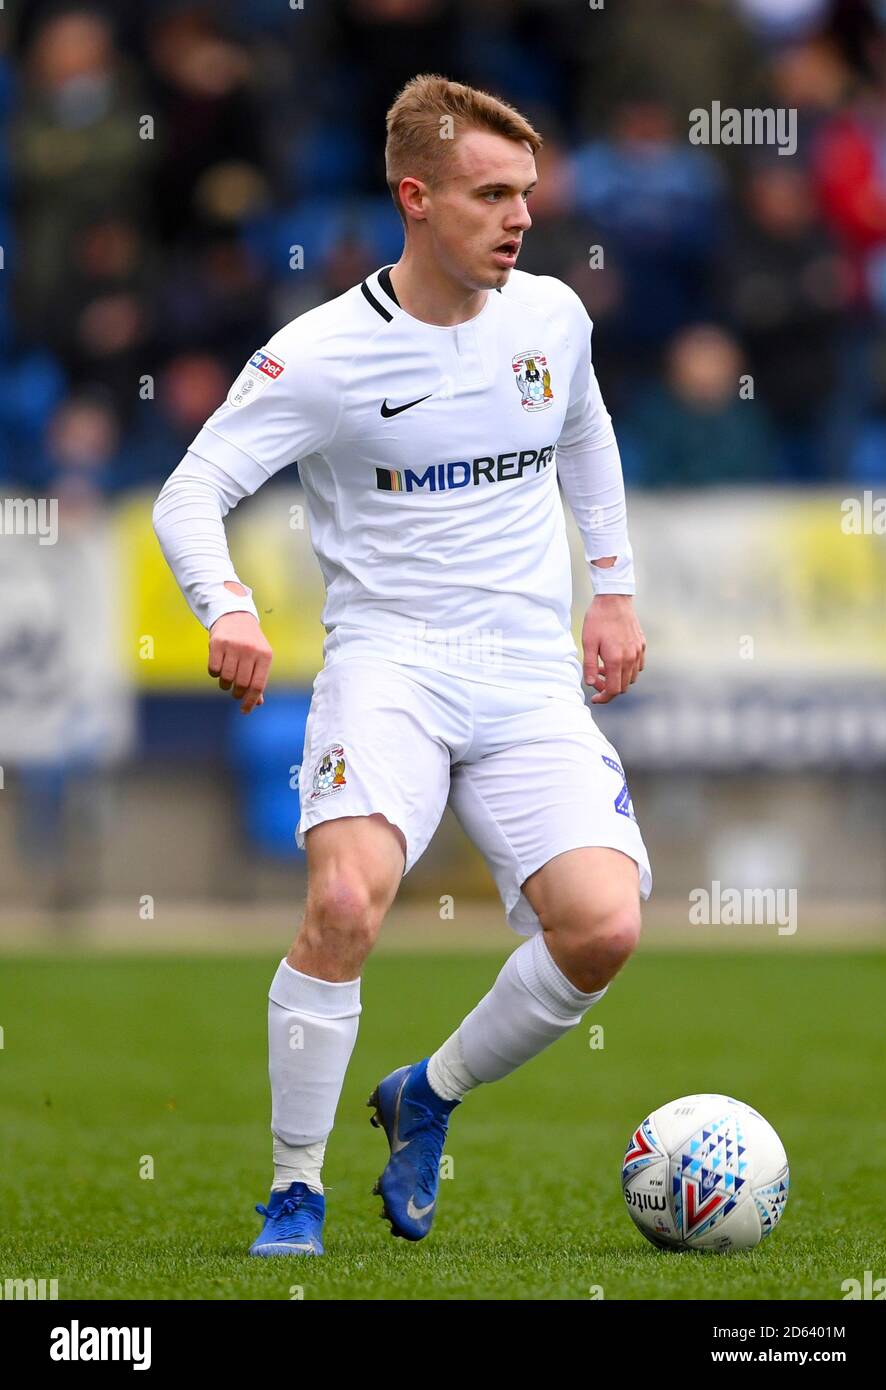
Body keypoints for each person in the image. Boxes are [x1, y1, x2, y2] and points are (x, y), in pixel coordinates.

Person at [152, 74, 651, 1258]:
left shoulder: (549, 320)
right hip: (391, 667)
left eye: (525, 193)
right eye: (489, 195)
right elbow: (192, 493)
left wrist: (614, 586)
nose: (518, 217)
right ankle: (294, 1190)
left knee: (601, 929)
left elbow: (583, 431)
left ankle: (425, 1091)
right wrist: (225, 606)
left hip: (526, 672)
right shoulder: (319, 356)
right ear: (414, 199)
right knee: (340, 903)